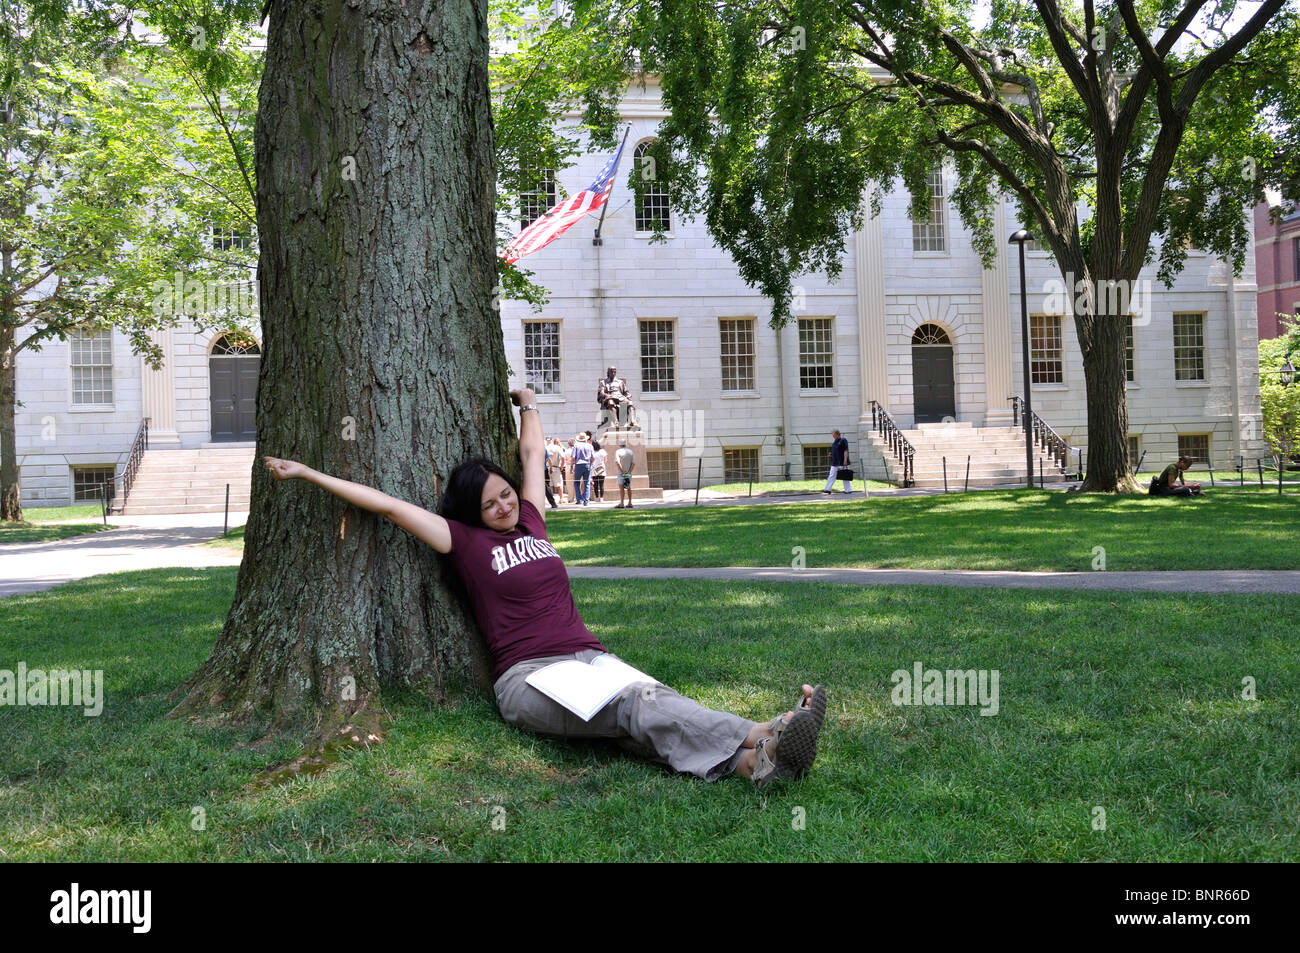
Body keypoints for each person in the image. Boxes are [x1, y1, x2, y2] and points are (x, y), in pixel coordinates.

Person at [261, 386, 826, 786]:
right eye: (490, 504)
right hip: (528, 678)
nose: (505, 505)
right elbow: (388, 506)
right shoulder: (462, 541)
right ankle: (769, 732)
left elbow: (532, 452)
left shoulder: (532, 517)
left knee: (646, 714)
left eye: (506, 493)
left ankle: (756, 767)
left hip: (588, 657)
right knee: (634, 705)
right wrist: (308, 473)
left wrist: (528, 404)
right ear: (472, 513)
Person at [823, 430, 852, 494]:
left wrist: (845, 460)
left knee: (845, 475)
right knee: (831, 475)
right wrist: (831, 453)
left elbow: (845, 451)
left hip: (842, 462)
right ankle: (827, 489)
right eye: (832, 435)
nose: (833, 437)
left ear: (838, 434)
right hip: (835, 462)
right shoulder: (835, 441)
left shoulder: (843, 440)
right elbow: (835, 449)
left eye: (834, 435)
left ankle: (848, 490)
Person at [572, 431, 594, 506]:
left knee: (576, 482)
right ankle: (586, 501)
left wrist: (572, 465)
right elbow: (593, 457)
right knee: (587, 483)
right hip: (587, 464)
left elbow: (573, 457)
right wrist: (590, 464)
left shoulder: (576, 445)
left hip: (578, 464)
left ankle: (579, 499)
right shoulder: (590, 446)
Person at [614, 441, 636, 509]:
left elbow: (618, 462)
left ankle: (622, 503)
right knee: (628, 487)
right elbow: (633, 463)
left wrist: (622, 471)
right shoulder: (630, 452)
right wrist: (629, 471)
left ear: (619, 444)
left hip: (621, 473)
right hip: (628, 472)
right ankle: (630, 502)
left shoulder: (618, 452)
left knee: (621, 488)